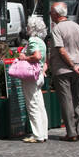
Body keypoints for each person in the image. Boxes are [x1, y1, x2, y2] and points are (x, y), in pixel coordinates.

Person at [49, 1, 79, 142]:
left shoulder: (57, 29)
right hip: (77, 68)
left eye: (51, 12)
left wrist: (72, 65)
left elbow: (61, 50)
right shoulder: (76, 26)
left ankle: (71, 132)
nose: (50, 15)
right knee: (77, 98)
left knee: (67, 100)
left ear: (57, 14)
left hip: (63, 69)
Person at [20, 15, 50, 144]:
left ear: (31, 28)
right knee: (40, 105)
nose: (26, 27)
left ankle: (37, 134)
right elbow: (43, 58)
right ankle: (43, 133)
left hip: (31, 76)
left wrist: (24, 58)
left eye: (28, 25)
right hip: (40, 75)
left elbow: (36, 56)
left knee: (32, 105)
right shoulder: (41, 41)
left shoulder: (33, 40)